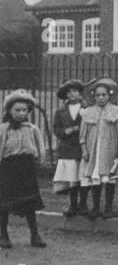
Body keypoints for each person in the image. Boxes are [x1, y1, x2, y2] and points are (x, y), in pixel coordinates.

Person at [0, 90, 46, 248]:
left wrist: (40, 159)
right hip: (8, 167)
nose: (20, 113)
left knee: (29, 201)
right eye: (17, 110)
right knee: (5, 202)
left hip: (26, 167)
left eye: (24, 110)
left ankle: (35, 235)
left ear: (29, 111)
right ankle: (3, 235)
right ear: (9, 110)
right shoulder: (4, 129)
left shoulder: (32, 129)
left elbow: (40, 147)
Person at [79, 78, 118, 220]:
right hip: (93, 148)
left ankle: (108, 207)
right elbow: (83, 134)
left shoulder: (116, 112)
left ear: (109, 96)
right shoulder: (88, 112)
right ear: (93, 96)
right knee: (95, 176)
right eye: (98, 95)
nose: (101, 98)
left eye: (104, 95)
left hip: (109, 148)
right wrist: (84, 149)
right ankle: (95, 207)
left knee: (109, 177)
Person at [52, 79, 85, 217]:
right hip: (68, 149)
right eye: (69, 92)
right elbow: (56, 129)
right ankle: (73, 205)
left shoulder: (86, 108)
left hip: (83, 148)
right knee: (72, 178)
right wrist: (67, 131)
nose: (72, 94)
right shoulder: (61, 111)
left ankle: (83, 204)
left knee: (83, 177)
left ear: (80, 93)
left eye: (75, 91)